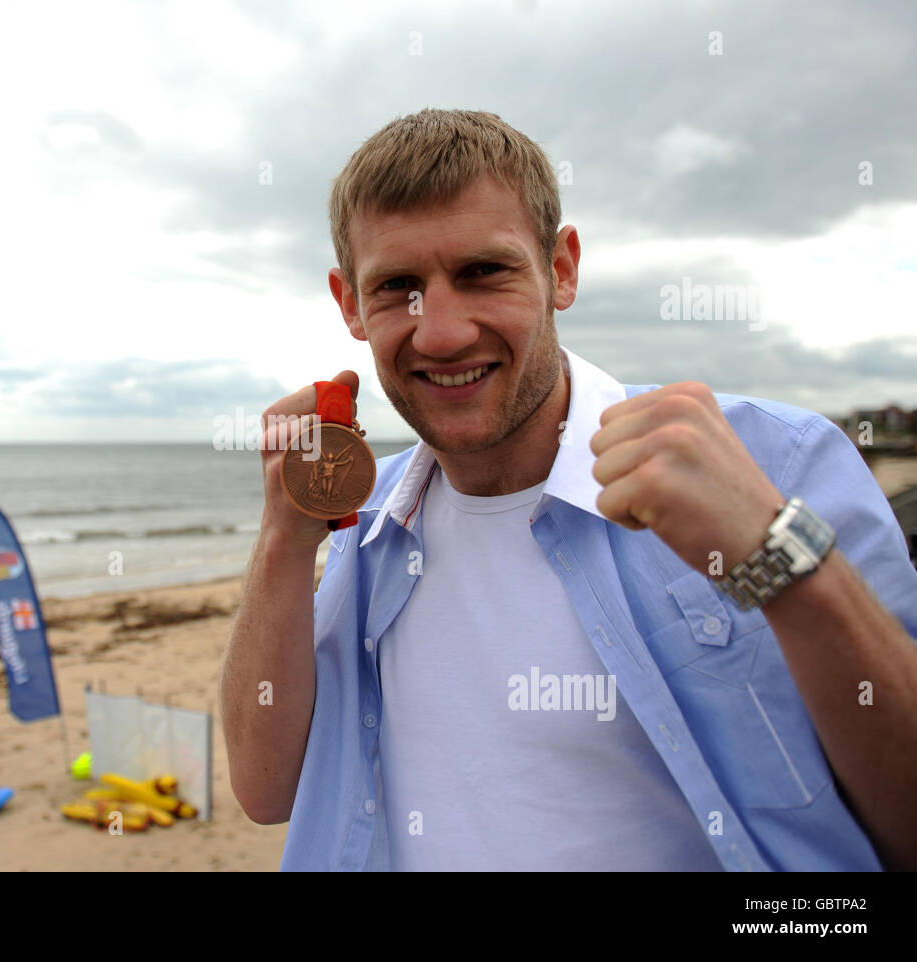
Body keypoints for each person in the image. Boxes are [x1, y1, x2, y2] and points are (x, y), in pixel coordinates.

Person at [219, 108, 917, 871]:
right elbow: (265, 790)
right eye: (398, 287)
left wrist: (778, 558)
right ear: (350, 304)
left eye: (484, 272)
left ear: (562, 269)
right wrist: (284, 538)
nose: (442, 331)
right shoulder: (369, 523)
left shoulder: (778, 463)